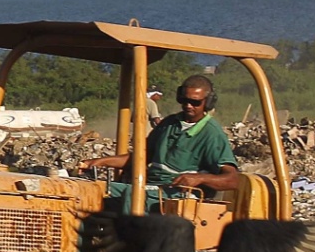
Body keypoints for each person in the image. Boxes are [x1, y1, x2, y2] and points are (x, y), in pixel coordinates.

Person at [76, 74, 238, 204]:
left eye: (194, 102)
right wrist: (99, 162)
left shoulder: (211, 134)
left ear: (208, 102)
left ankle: (128, 243)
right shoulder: (169, 124)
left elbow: (232, 179)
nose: (188, 105)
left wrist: (198, 178)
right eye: (184, 100)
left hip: (179, 194)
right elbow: (141, 158)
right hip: (151, 187)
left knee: (131, 196)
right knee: (93, 191)